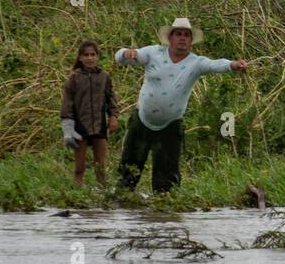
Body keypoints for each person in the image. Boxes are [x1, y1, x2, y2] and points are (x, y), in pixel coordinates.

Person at [114, 17, 248, 196]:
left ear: (191, 41)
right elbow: (121, 57)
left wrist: (233, 65)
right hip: (142, 121)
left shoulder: (196, 63)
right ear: (170, 38)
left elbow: (216, 64)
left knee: (167, 178)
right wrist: (125, 53)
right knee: (128, 169)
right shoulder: (153, 53)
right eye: (178, 34)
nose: (182, 38)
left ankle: (165, 207)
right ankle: (122, 201)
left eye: (186, 35)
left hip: (170, 125)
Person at [60, 40, 120, 187]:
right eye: (86, 55)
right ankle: (77, 193)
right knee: (79, 168)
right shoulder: (74, 78)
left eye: (92, 54)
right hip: (80, 125)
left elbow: (111, 97)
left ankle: (103, 195)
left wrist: (113, 116)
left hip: (99, 125)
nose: (89, 58)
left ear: (97, 56)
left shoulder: (104, 76)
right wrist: (67, 129)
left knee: (101, 168)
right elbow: (67, 104)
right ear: (80, 58)